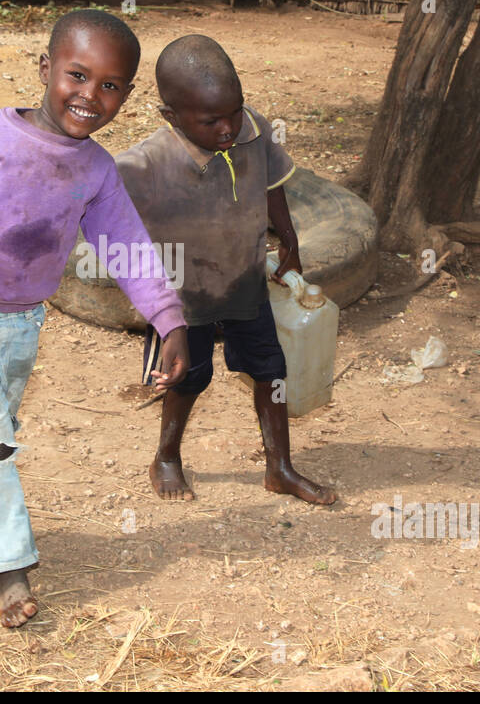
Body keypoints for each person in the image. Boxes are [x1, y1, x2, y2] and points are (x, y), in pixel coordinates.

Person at [0, 10, 189, 627]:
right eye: (77, 75)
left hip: (23, 324)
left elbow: (128, 248)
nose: (90, 95)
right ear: (46, 68)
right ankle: (9, 568)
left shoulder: (97, 171)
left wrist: (170, 320)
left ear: (126, 96)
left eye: (110, 86)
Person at [116, 34, 337, 506]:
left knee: (270, 370)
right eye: (212, 119)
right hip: (183, 297)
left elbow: (272, 185)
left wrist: (290, 240)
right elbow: (106, 219)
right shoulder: (147, 163)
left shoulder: (252, 130)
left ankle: (279, 467)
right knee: (188, 377)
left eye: (234, 111)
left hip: (244, 282)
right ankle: (167, 457)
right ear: (171, 116)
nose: (228, 128)